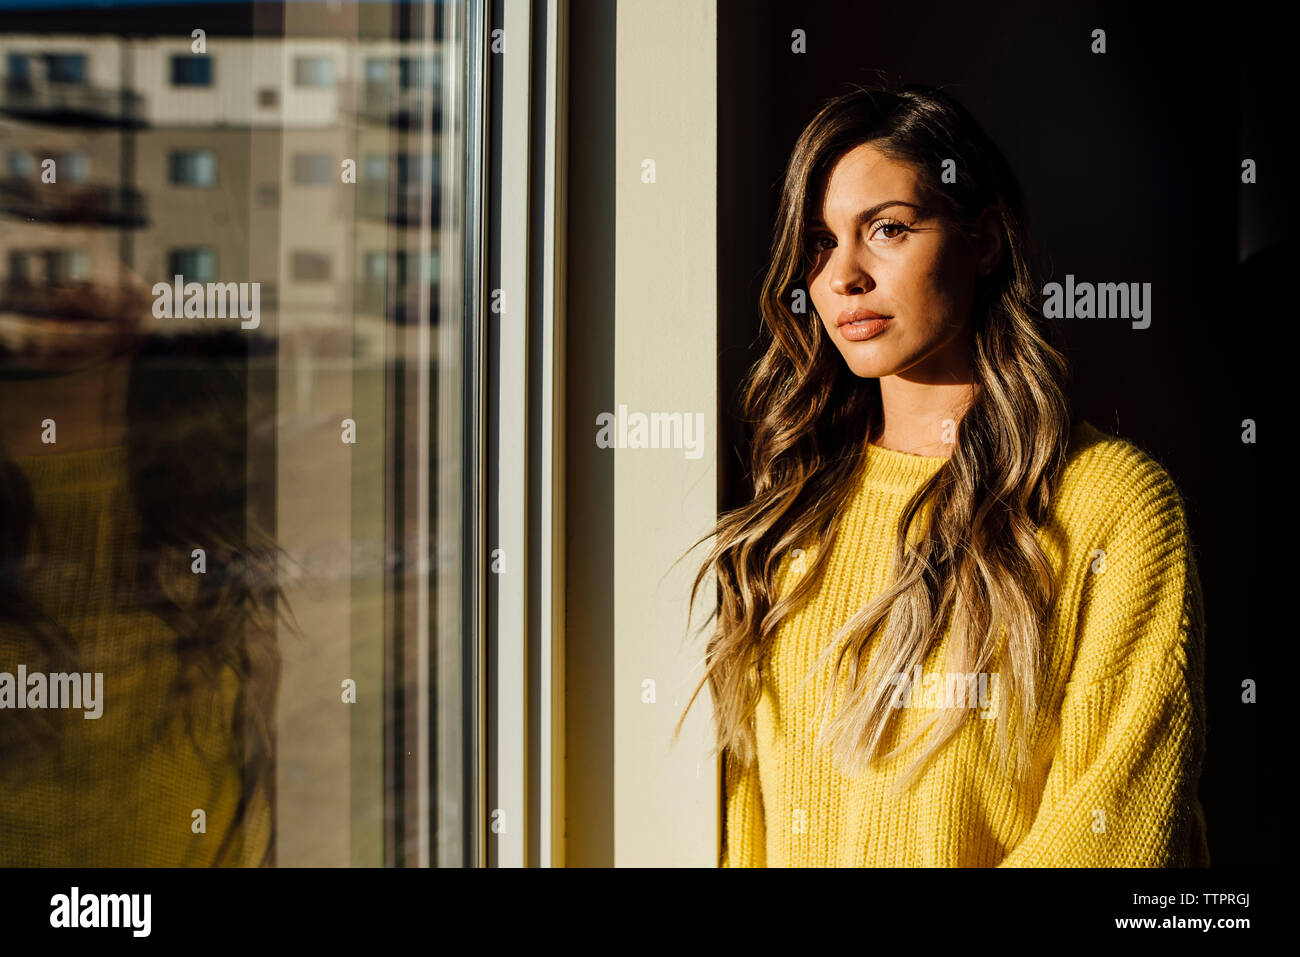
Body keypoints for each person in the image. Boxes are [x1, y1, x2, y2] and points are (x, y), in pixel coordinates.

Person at [677, 82, 1209, 867]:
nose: (842, 277)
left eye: (886, 229)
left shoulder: (1109, 502)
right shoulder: (791, 521)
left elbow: (1116, 831)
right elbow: (749, 831)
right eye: (820, 244)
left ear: (984, 239)